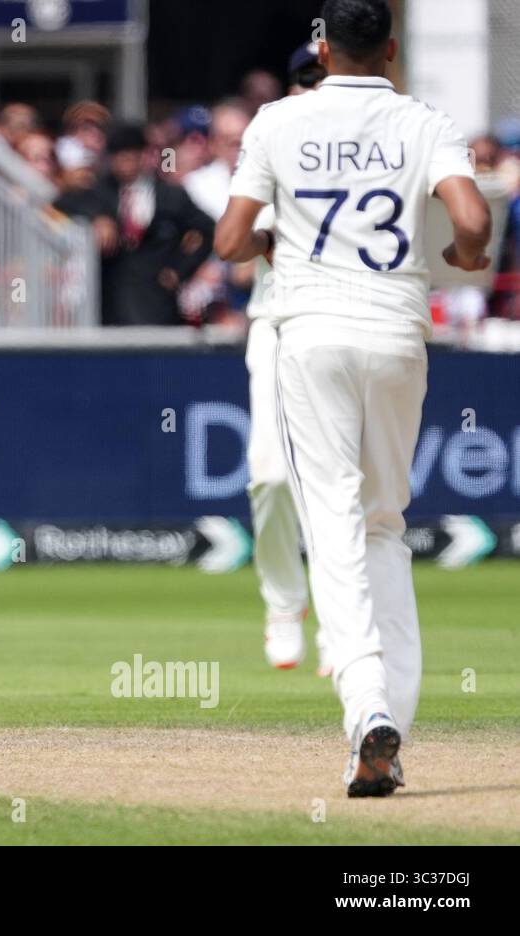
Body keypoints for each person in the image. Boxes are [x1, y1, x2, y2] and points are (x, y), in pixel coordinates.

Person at [215, 0, 491, 797]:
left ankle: (368, 708)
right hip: (398, 330)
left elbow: (231, 242)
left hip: (311, 335)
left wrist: (274, 238)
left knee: (331, 523)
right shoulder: (423, 118)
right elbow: (472, 219)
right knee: (384, 527)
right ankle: (388, 727)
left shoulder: (277, 120)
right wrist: (462, 252)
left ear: (322, 48)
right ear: (392, 49)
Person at [240, 45, 325, 675]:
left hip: (351, 322)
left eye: (322, 80)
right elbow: (242, 241)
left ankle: (346, 617)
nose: (313, 92)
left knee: (343, 481)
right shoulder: (269, 137)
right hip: (276, 323)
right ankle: (282, 603)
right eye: (305, 81)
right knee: (270, 474)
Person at [59, 122, 214, 325]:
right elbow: (63, 203)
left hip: (158, 305)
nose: (124, 163)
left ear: (143, 155)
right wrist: (96, 217)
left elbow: (207, 228)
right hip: (110, 304)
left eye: (130, 155)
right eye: (118, 156)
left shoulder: (169, 196)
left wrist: (179, 270)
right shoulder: (99, 193)